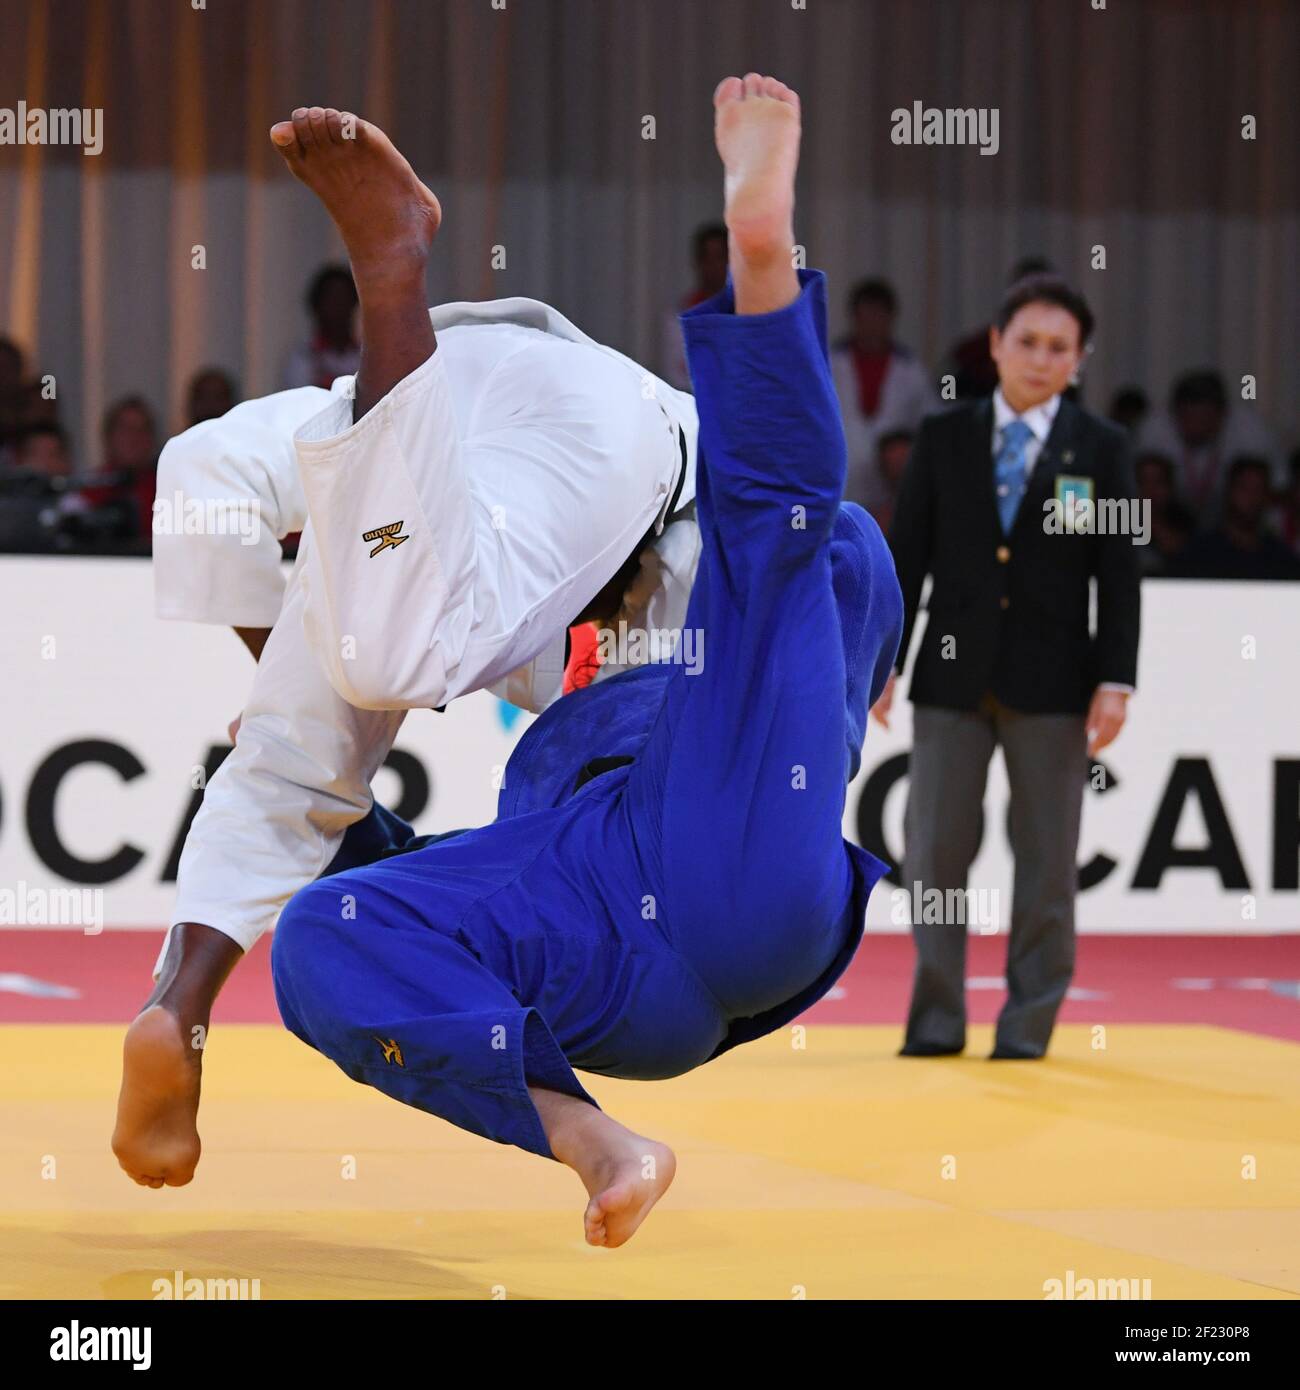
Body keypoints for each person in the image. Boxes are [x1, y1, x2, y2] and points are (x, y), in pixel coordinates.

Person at [114, 73, 901, 1249]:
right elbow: (387, 837)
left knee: (793, 538)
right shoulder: (534, 602)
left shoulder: (743, 581)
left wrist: (760, 245)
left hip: (715, 842)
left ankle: (680, 258)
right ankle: (596, 1143)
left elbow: (786, 510)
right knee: (331, 928)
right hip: (593, 901)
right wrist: (305, 707)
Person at [117, 98, 704, 1188]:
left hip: (460, 373)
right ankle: (390, 281)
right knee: (400, 651)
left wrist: (296, 667)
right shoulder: (660, 609)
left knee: (289, 732)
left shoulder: (594, 633)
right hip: (600, 439)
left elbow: (210, 481)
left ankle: (177, 1006)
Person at [875, 272, 1141, 1060]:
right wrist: (879, 660)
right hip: (950, 682)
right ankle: (936, 1020)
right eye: (1026, 340)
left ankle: (1028, 1027)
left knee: (1049, 862)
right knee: (934, 856)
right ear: (995, 345)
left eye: (1059, 347)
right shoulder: (943, 435)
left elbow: (1117, 575)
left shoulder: (1101, 449)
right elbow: (906, 559)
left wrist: (1116, 680)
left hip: (1056, 685)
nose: (1039, 357)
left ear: (1080, 360)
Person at [830, 278, 938, 511]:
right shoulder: (829, 364)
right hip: (838, 482)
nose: (872, 324)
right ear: (854, 318)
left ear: (891, 319)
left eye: (878, 316)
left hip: (893, 495)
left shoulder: (911, 370)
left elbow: (931, 428)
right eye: (865, 316)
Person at [1136, 369, 1283, 524]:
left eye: (1203, 417)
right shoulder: (1152, 431)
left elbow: (1278, 489)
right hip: (1171, 521)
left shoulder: (1251, 432)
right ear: (1173, 413)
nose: (1195, 426)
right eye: (1187, 417)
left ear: (1223, 414)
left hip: (1238, 523)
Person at [1172, 455, 1300, 581]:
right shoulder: (1198, 552)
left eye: (1258, 489)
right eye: (1244, 488)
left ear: (1267, 496)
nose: (1251, 497)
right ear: (1228, 492)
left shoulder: (1281, 558)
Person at [661, 221, 729, 391]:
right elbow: (675, 376)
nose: (713, 266)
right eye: (707, 257)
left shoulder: (748, 314)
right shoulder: (678, 316)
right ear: (697, 262)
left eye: (719, 257)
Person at [282, 263, 362, 389]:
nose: (338, 307)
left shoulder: (365, 358)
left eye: (343, 299)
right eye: (332, 299)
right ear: (316, 306)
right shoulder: (303, 357)